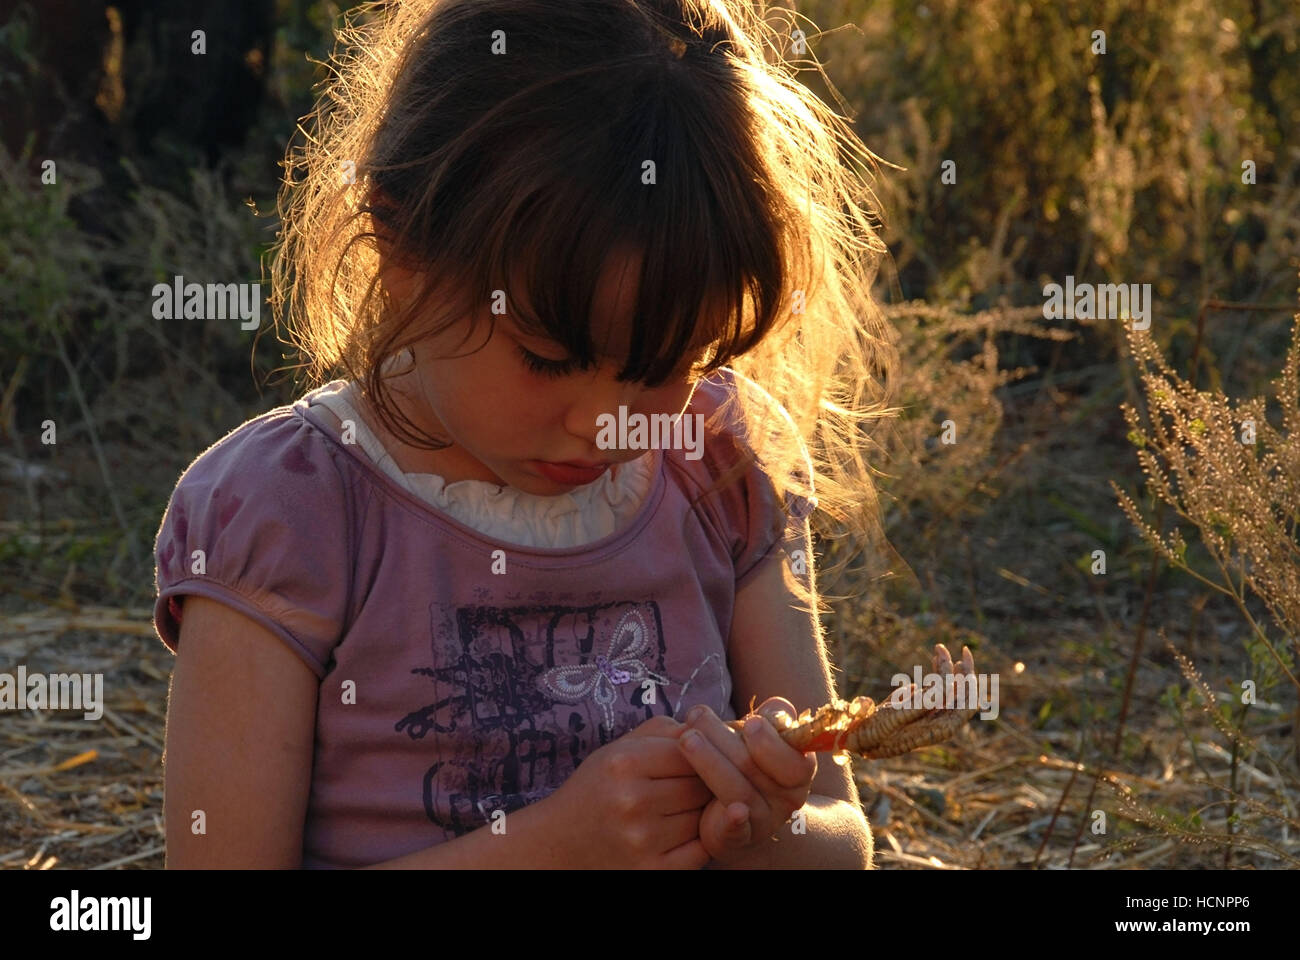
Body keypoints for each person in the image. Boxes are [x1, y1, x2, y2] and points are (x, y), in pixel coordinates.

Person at [154, 0, 899, 869]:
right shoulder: (291, 511)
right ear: (401, 254)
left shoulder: (720, 459)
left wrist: (764, 825)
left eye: (666, 364)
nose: (603, 424)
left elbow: (839, 840)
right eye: (547, 358)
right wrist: (552, 849)